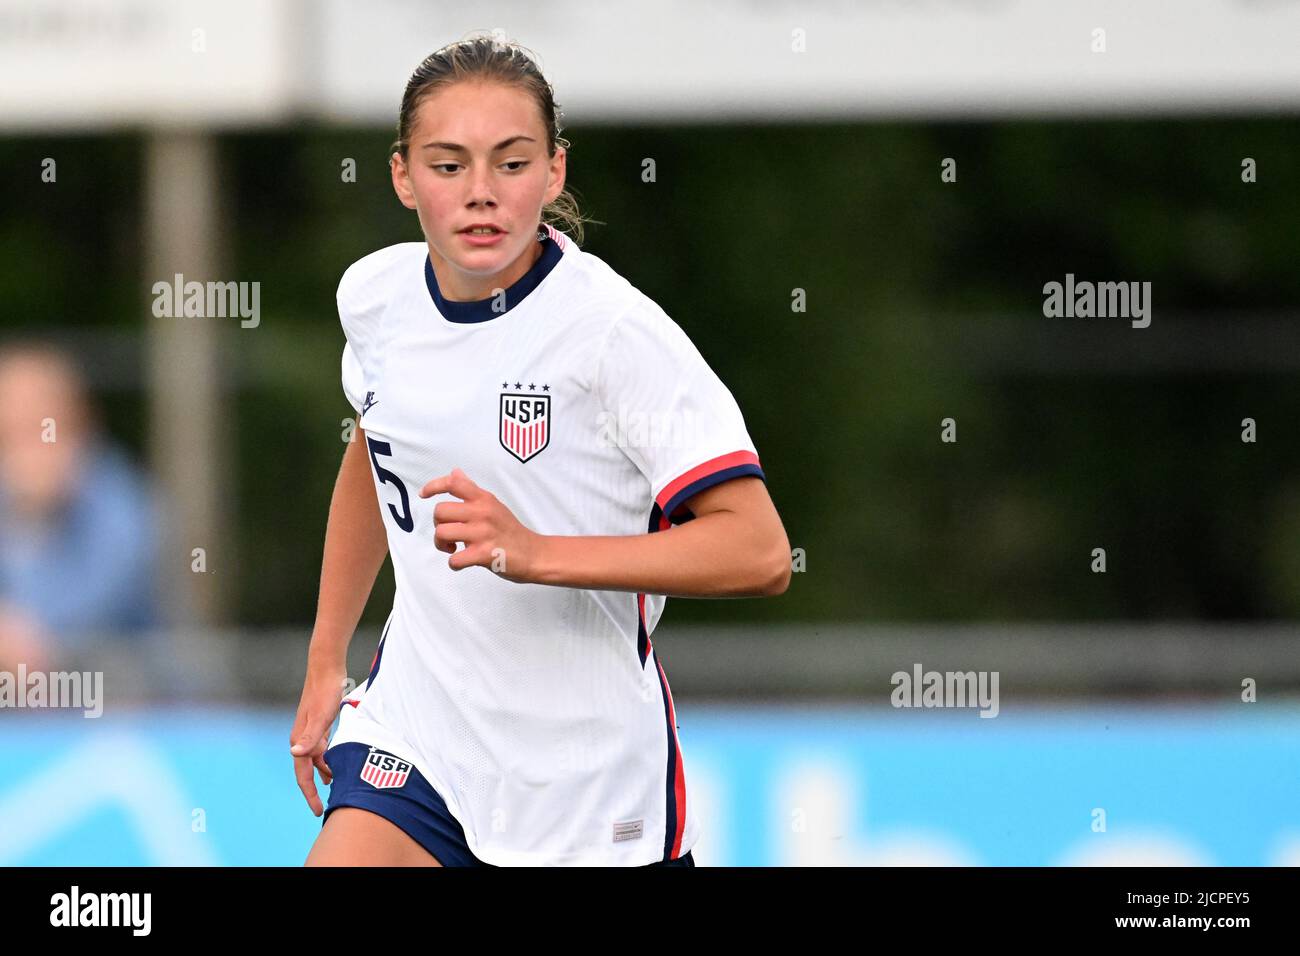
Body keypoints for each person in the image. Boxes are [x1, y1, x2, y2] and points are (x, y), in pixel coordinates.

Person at [291, 34, 790, 867]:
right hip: (418, 739)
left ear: (554, 173)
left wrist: (536, 552)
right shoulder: (376, 298)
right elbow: (375, 451)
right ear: (402, 176)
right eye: (448, 166)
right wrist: (322, 660)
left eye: (511, 164)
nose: (480, 194)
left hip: (581, 782)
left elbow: (762, 549)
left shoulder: (613, 335)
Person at [0, 342, 163, 673]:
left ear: (79, 424)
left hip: (128, 702)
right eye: (12, 431)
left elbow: (97, 612)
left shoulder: (125, 504)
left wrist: (37, 516)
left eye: (38, 425)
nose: (27, 449)